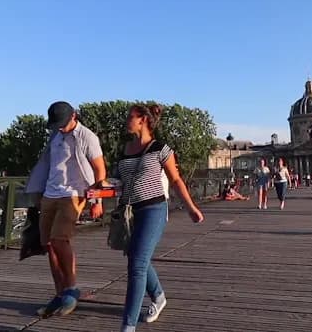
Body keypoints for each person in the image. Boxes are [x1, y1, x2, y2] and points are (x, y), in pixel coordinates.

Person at [113, 103, 204, 332]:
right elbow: (118, 181)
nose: (126, 120)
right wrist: (96, 191)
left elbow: (176, 180)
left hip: (153, 209)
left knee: (136, 265)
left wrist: (191, 208)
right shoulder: (124, 149)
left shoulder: (161, 149)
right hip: (129, 212)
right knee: (137, 257)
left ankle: (127, 327)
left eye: (130, 117)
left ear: (142, 119)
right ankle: (159, 296)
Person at [25, 101, 107, 317]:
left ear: (74, 116)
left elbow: (100, 170)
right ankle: (60, 294)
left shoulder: (87, 137)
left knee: (60, 239)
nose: (60, 128)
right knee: (48, 245)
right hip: (49, 195)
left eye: (62, 124)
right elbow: (48, 165)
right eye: (56, 125)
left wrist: (97, 201)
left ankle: (71, 289)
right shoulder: (55, 135)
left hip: (74, 194)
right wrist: (38, 193)